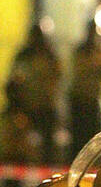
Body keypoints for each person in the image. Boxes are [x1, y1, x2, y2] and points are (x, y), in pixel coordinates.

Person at [7, 24, 62, 164]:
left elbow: (57, 78)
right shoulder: (29, 56)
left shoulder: (47, 56)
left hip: (42, 105)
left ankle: (44, 169)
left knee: (46, 145)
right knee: (21, 144)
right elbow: (15, 80)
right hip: (29, 105)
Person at [68, 22, 101, 153]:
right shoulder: (82, 51)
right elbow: (79, 72)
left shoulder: (98, 51)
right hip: (80, 98)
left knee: (93, 135)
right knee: (79, 135)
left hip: (92, 99)